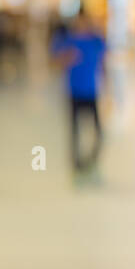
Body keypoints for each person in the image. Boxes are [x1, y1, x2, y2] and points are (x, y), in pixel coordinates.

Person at [52, 12, 108, 182]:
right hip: (74, 92)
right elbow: (54, 62)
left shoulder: (96, 41)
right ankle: (76, 168)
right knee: (75, 132)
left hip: (92, 92)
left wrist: (110, 89)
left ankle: (90, 163)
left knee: (98, 133)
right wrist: (66, 58)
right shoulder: (67, 41)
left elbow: (104, 63)